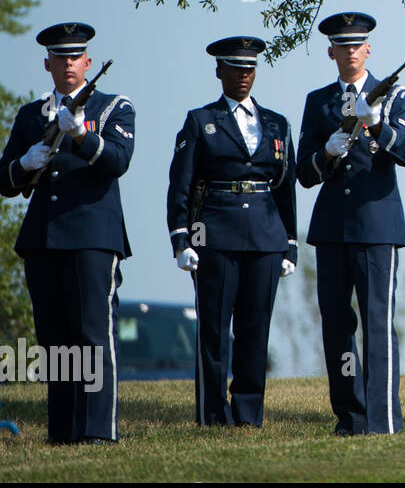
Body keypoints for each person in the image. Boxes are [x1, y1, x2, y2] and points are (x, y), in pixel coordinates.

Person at [0, 22, 133, 443]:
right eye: (60, 57)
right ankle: (63, 431)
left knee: (94, 336)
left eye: (76, 57)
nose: (69, 64)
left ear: (88, 62)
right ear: (48, 64)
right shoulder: (30, 116)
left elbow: (117, 160)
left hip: (94, 233)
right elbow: (5, 182)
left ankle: (97, 430)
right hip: (44, 238)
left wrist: (79, 135)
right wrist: (24, 164)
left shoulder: (113, 108)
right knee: (56, 343)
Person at [296, 13, 405, 435]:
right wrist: (326, 154)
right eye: (341, 45)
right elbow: (304, 173)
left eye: (357, 44)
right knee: (336, 324)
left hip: (376, 224)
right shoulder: (319, 101)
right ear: (331, 52)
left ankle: (383, 419)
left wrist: (378, 125)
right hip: (332, 227)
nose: (350, 51)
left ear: (368, 49)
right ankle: (351, 416)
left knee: (378, 322)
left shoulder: (395, 94)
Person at [166, 36, 297, 426]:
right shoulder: (200, 120)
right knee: (214, 332)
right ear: (219, 70)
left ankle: (248, 414)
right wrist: (181, 239)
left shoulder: (276, 122)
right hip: (215, 235)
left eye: (250, 68)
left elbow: (286, 187)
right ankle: (211, 414)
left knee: (255, 331)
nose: (243, 75)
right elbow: (181, 185)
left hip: (265, 234)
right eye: (236, 68)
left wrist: (289, 245)